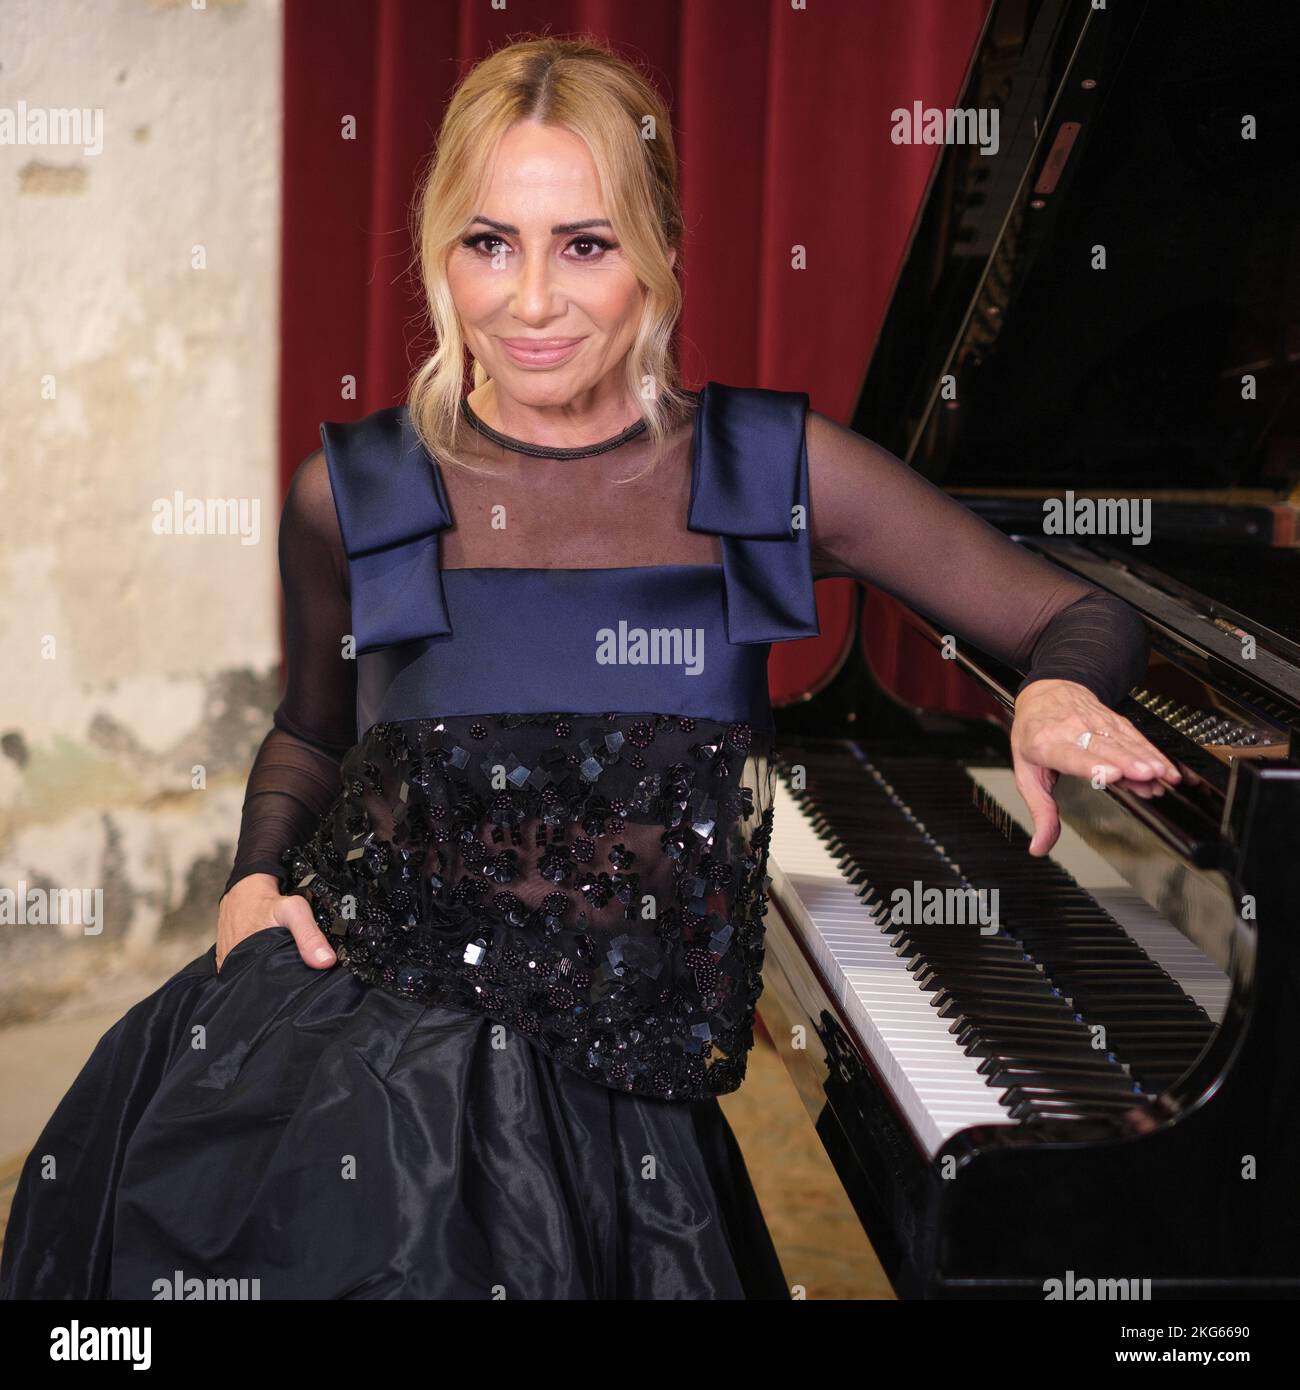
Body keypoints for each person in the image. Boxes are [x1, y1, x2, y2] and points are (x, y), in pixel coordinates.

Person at [0, 35, 1172, 1301]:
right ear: (441, 252)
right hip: (363, 1083)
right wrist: (251, 879)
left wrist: (1055, 687)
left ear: (658, 257)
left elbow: (1072, 614)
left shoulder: (765, 474)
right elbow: (312, 735)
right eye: (488, 241)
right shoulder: (357, 494)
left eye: (586, 244)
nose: (532, 300)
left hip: (629, 1116)